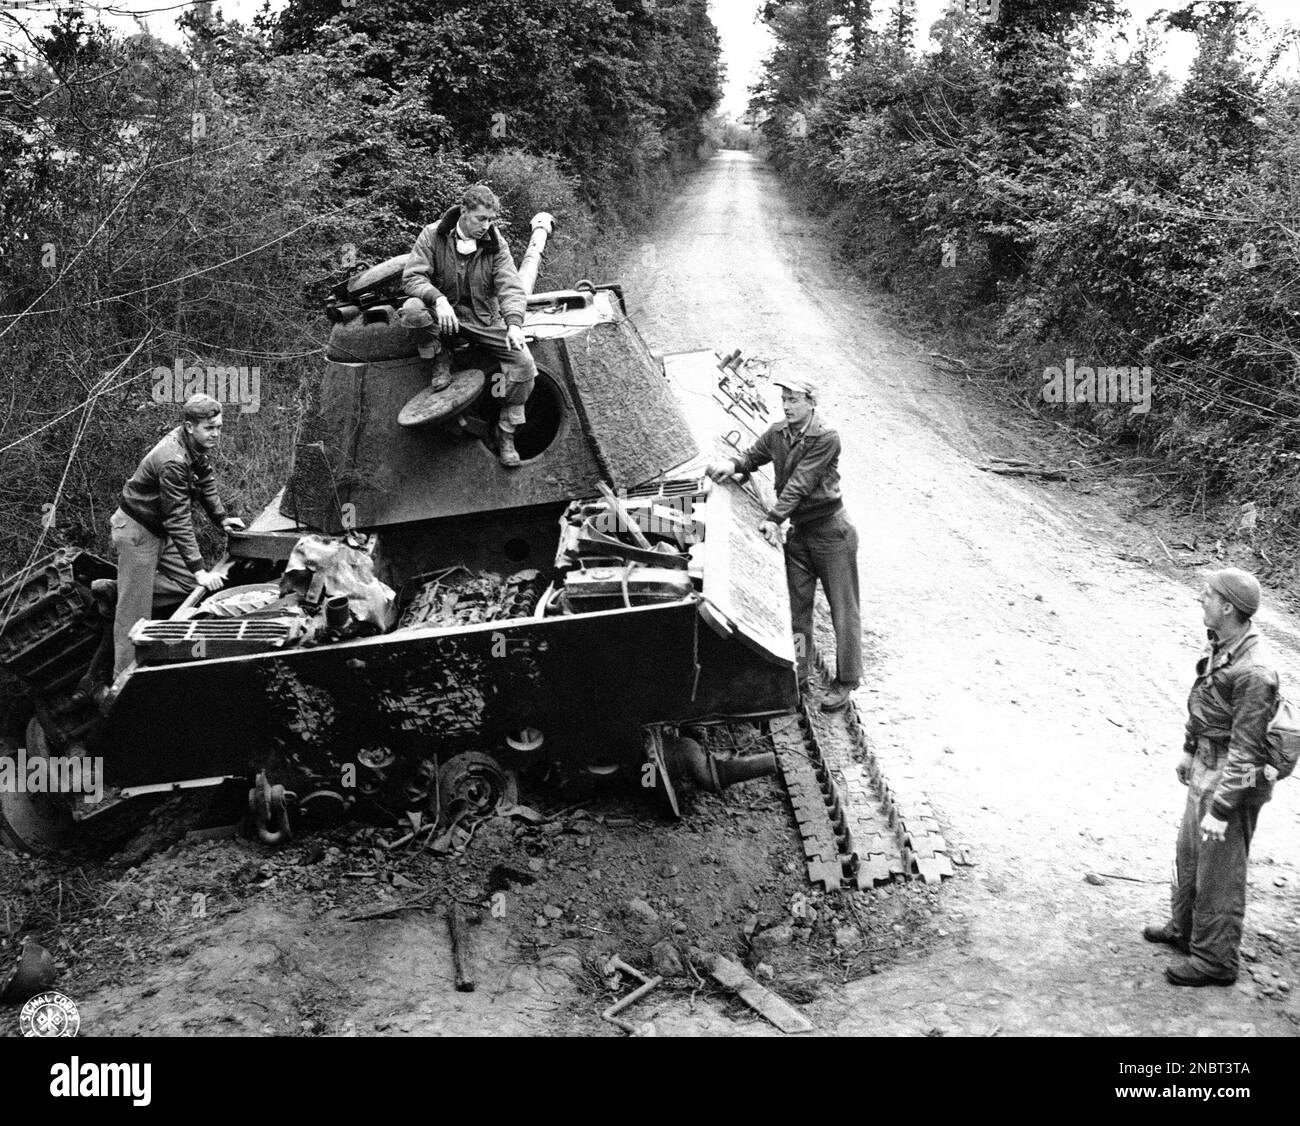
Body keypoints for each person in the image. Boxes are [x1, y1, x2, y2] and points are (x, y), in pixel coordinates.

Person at [1144, 568, 1279, 986]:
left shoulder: (1255, 671)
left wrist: (1222, 808)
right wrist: (1189, 749)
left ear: (1228, 607)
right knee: (1190, 856)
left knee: (1219, 873)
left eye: (1208, 595)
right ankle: (1184, 929)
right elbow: (1205, 699)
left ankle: (1215, 961)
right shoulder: (1224, 646)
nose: (1200, 599)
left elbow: (1248, 750)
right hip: (1206, 763)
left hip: (1231, 778)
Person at [707, 375, 861, 711]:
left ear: (811, 402)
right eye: (785, 400)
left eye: (794, 400)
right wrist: (730, 465)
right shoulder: (778, 432)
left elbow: (801, 483)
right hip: (801, 532)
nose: (787, 406)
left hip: (832, 531)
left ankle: (846, 681)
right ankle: (799, 671)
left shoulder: (826, 436)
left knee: (843, 610)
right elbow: (752, 455)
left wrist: (773, 518)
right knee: (797, 610)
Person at [400, 184, 536, 467]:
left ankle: (506, 431)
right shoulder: (433, 235)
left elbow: (510, 286)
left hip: (482, 320)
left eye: (490, 220)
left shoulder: (495, 244)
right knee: (412, 311)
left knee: (523, 364)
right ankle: (439, 357)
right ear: (464, 212)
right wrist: (437, 299)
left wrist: (513, 324)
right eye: (480, 219)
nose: (485, 226)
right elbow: (412, 278)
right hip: (444, 319)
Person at [108, 394, 243, 678]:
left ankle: (121, 587)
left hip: (159, 530)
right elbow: (178, 518)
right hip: (137, 531)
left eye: (218, 427)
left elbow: (205, 480)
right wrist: (199, 569)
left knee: (187, 586)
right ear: (190, 426)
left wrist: (222, 518)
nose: (216, 433)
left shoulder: (193, 444)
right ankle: (122, 678)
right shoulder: (172, 460)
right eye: (210, 428)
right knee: (134, 617)